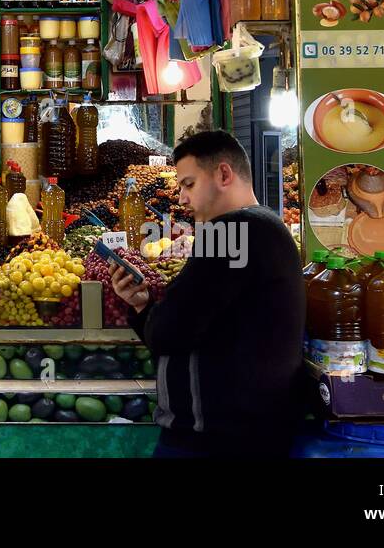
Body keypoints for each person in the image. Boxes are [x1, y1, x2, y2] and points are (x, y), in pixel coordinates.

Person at [110, 130, 304, 458]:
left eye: (189, 184)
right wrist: (144, 306)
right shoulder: (265, 226)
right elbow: (201, 321)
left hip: (216, 440)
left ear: (224, 174)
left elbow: (172, 330)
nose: (182, 198)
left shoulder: (230, 231)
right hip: (244, 434)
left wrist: (157, 317)